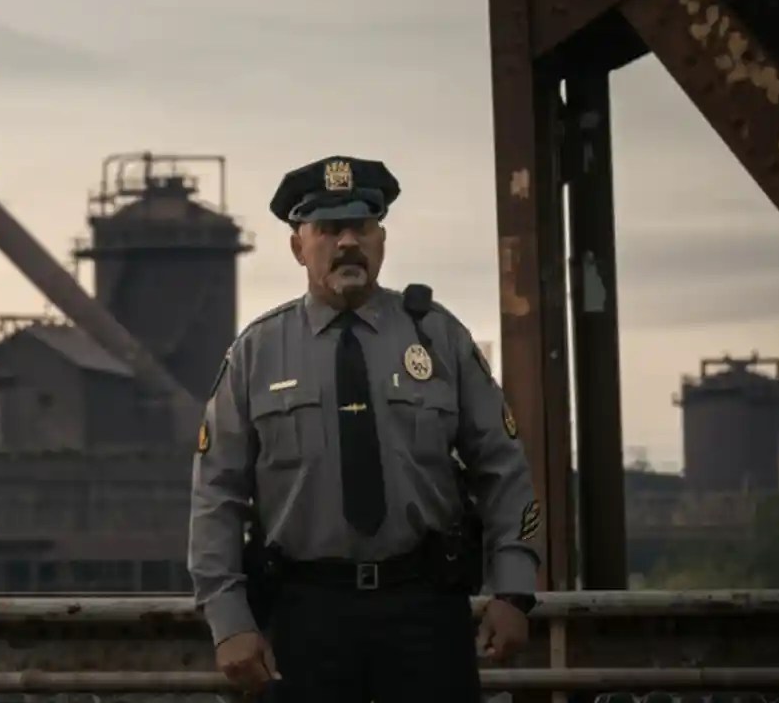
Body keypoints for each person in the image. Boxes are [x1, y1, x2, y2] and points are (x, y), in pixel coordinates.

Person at [186, 155, 544, 701]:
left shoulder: (438, 338)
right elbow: (216, 493)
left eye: (362, 226)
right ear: (298, 246)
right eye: (329, 229)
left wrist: (513, 591)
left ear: (382, 239)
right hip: (305, 616)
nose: (348, 242)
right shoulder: (257, 353)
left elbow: (503, 467)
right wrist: (229, 618)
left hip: (426, 611)